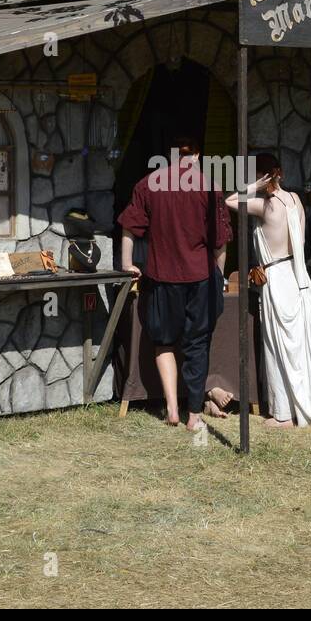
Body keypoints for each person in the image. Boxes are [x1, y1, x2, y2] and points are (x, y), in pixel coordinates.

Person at [118, 137, 232, 430]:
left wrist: (126, 263)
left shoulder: (149, 184)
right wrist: (219, 276)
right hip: (199, 276)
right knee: (196, 346)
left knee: (163, 342)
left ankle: (171, 408)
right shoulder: (209, 186)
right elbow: (220, 241)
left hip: (161, 276)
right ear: (195, 156)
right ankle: (194, 415)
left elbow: (130, 226)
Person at [226, 154, 311, 428]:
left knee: (276, 345)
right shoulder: (295, 200)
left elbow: (228, 201)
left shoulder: (266, 206)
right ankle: (296, 405)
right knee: (297, 345)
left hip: (277, 276)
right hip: (295, 274)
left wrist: (252, 188)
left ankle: (283, 413)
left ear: (263, 177)